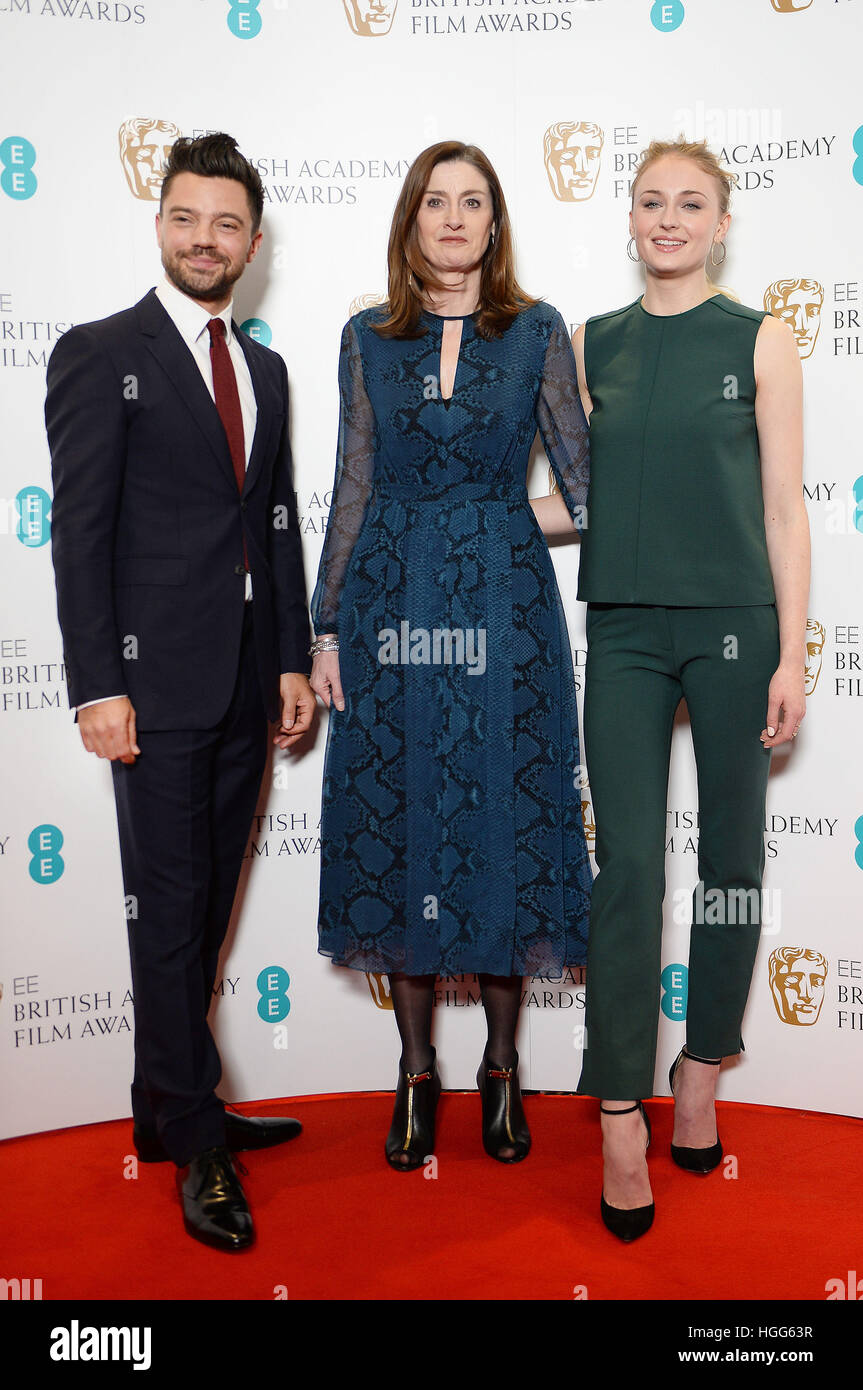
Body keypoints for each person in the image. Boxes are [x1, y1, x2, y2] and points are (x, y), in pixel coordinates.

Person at [45, 133, 315, 1252]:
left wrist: (293, 657)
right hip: (150, 691)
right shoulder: (97, 350)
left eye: (228, 225)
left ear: (252, 242)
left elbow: (278, 523)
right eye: (188, 218)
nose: (207, 240)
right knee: (165, 913)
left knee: (202, 911)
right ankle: (194, 1141)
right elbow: (80, 536)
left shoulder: (264, 368)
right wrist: (96, 685)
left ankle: (168, 1105)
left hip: (246, 684)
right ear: (160, 223)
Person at [309, 140, 592, 1170]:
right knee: (404, 816)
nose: (455, 217)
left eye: (474, 202)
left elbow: (586, 484)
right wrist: (326, 626)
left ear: (493, 222)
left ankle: (504, 1067)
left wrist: (500, 520)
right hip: (388, 601)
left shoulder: (536, 332)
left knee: (505, 821)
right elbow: (350, 484)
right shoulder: (364, 337)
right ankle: (418, 1069)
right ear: (411, 219)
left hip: (504, 606)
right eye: (437, 201)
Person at [570, 138, 809, 1239]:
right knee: (625, 867)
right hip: (619, 627)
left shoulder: (759, 339)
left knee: (725, 861)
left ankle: (701, 1065)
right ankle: (620, 1107)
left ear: (719, 223)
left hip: (730, 627)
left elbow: (780, 508)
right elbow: (569, 498)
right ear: (629, 220)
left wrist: (791, 652)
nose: (666, 219)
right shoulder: (589, 343)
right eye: (649, 202)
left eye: (689, 204)